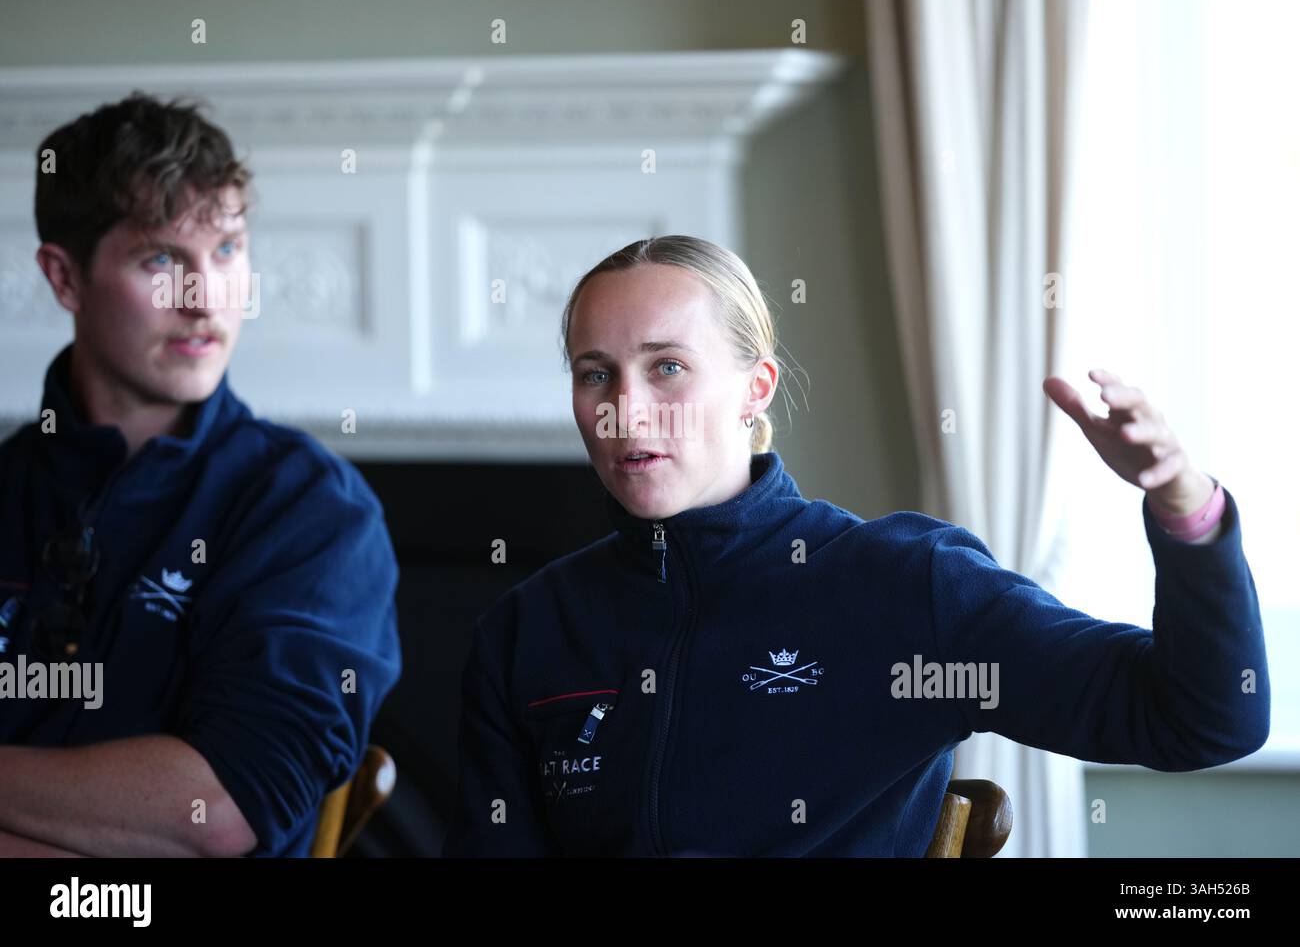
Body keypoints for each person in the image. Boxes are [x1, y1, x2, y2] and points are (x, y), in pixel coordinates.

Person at [442, 234, 1269, 856]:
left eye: (666, 368)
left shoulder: (904, 588)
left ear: (753, 388)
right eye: (596, 373)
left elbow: (1200, 720)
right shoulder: (529, 628)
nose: (625, 410)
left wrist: (1184, 508)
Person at [0, 92, 401, 857]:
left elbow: (221, 810)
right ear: (65, 278)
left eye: (226, 250)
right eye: (161, 258)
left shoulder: (312, 509)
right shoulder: (11, 486)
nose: (206, 296)